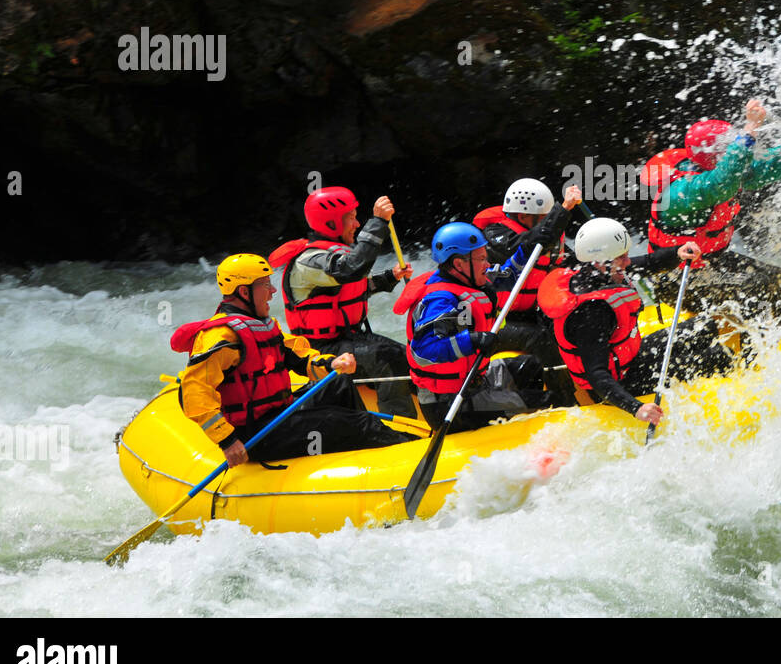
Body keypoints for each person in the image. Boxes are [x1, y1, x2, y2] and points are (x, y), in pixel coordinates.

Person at [171, 254, 415, 466]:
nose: (273, 291)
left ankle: (350, 445)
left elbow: (299, 358)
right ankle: (408, 451)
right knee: (361, 422)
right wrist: (227, 440)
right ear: (244, 292)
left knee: (338, 382)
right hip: (256, 435)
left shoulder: (263, 326)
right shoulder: (221, 337)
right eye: (265, 285)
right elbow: (193, 392)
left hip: (278, 415)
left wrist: (332, 363)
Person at [538, 219, 735, 425]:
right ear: (600, 261)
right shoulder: (592, 313)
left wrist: (677, 252)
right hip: (620, 384)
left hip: (630, 359)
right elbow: (596, 375)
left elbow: (646, 263)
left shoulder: (599, 272)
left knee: (704, 325)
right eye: (621, 257)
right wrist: (637, 408)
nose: (628, 261)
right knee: (716, 357)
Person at [642, 98, 781, 320]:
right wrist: (750, 127)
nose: (731, 150)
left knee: (778, 277)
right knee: (757, 289)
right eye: (726, 147)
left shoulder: (716, 171)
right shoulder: (684, 190)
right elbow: (725, 180)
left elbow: (759, 171)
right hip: (675, 278)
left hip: (709, 262)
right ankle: (750, 345)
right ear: (712, 155)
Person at [269, 187, 415, 418]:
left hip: (348, 339)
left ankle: (437, 406)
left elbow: (354, 290)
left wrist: (390, 277)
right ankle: (402, 425)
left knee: (410, 355)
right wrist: (377, 222)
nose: (357, 224)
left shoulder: (333, 255)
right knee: (385, 357)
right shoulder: (310, 261)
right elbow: (351, 269)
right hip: (322, 348)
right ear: (331, 223)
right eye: (352, 218)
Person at [395, 222, 550, 432]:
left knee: (529, 365)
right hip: (449, 403)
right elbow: (423, 351)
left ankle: (513, 428)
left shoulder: (471, 280)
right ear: (459, 264)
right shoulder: (440, 300)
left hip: (474, 381)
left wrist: (531, 246)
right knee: (543, 400)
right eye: (482, 259)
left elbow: (510, 274)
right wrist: (473, 340)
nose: (487, 264)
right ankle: (519, 423)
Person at [473, 179, 584, 399]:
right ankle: (564, 398)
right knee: (540, 337)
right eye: (543, 217)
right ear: (523, 216)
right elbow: (523, 244)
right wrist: (563, 210)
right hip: (495, 321)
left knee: (575, 321)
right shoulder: (495, 233)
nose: (547, 221)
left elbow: (574, 264)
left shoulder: (546, 234)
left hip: (530, 313)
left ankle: (593, 384)